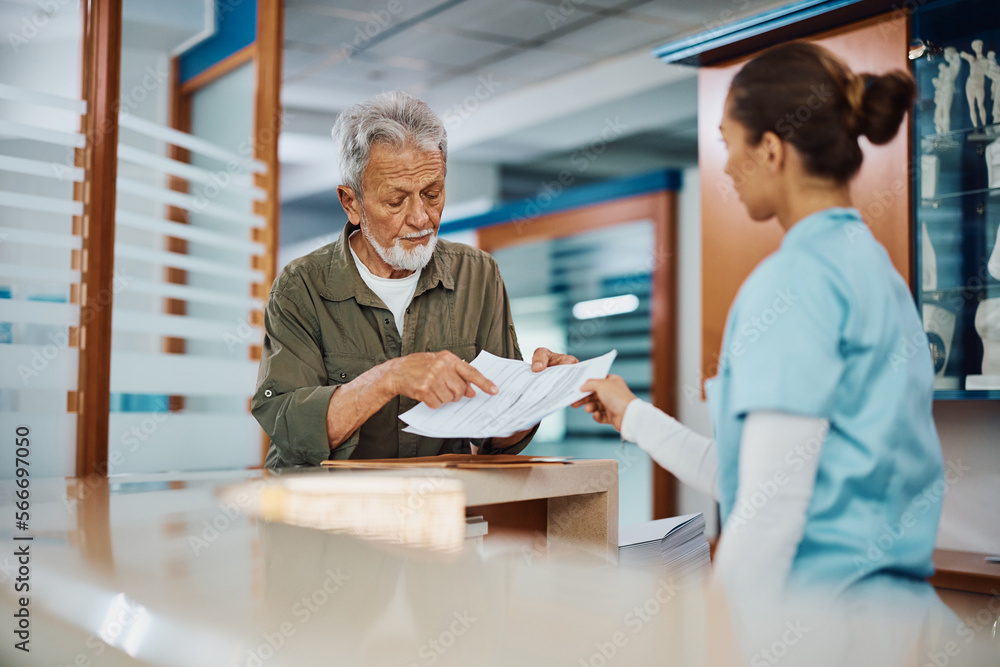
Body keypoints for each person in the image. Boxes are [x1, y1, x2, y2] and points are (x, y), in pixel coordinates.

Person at [575, 42, 945, 606]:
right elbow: (750, 479)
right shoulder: (879, 273)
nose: (725, 166)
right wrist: (632, 415)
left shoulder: (793, 281)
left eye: (729, 143)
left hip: (823, 622)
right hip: (891, 617)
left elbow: (770, 510)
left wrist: (716, 637)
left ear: (771, 149)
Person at [253, 91, 574, 468]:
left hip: (441, 501)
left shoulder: (478, 274)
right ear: (351, 203)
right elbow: (289, 429)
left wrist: (535, 398)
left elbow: (495, 437)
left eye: (432, 194)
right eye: (396, 201)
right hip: (328, 503)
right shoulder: (300, 287)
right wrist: (388, 378)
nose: (421, 218)